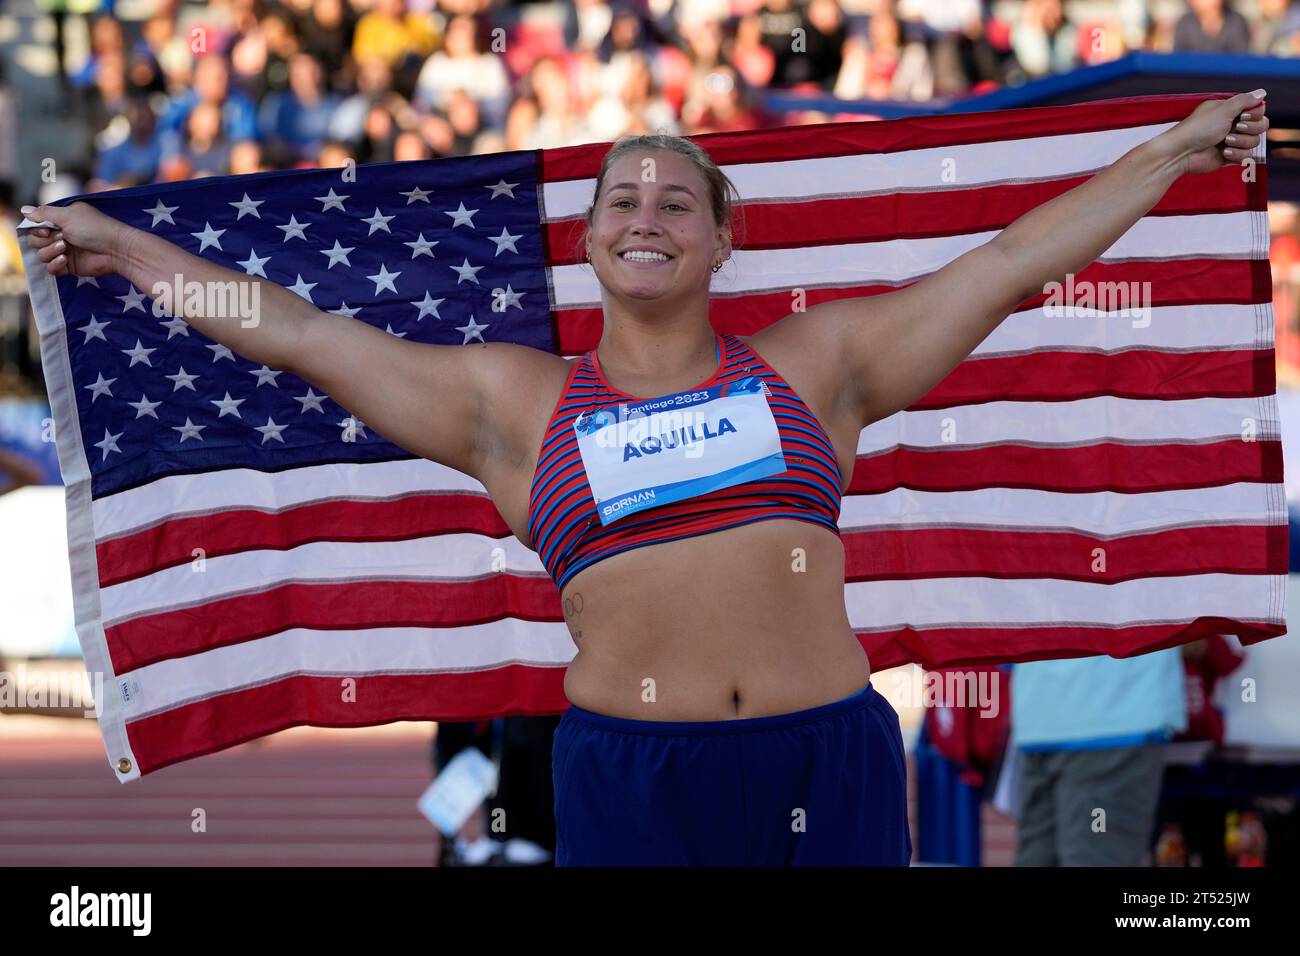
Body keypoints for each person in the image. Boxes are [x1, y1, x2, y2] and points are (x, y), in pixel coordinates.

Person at [20, 90, 1270, 866]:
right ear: (590, 238)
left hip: (822, 764)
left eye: (679, 199)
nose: (648, 212)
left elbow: (1005, 262)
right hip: (630, 777)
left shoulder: (819, 364)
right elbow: (293, 330)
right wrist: (126, 248)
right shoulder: (512, 407)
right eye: (624, 195)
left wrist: (1171, 155)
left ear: (723, 240)